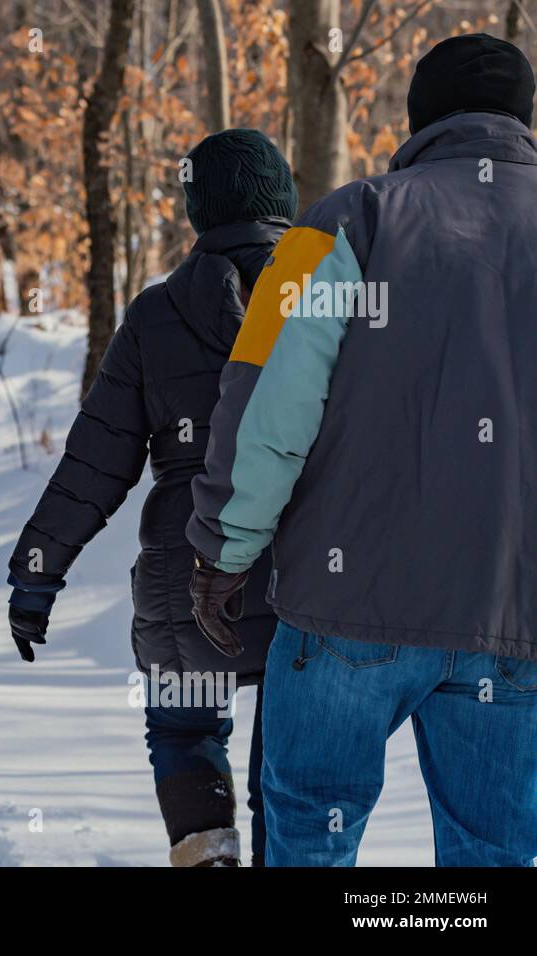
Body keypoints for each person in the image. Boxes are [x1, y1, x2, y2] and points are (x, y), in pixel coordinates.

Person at [186, 34, 537, 867]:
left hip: (348, 609)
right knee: (494, 855)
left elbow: (269, 394)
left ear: (419, 119)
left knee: (309, 832)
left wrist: (225, 550)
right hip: (519, 618)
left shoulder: (341, 218)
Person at [6, 129, 297, 866]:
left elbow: (94, 463)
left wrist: (36, 572)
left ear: (197, 208)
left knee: (183, 728)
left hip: (187, 569)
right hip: (307, 569)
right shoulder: (330, 301)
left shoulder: (156, 314)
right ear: (284, 198)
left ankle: (206, 854)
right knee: (294, 753)